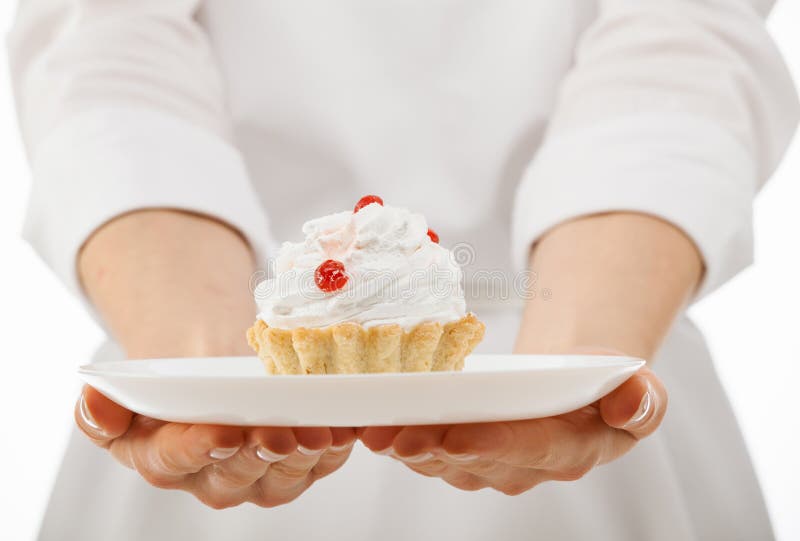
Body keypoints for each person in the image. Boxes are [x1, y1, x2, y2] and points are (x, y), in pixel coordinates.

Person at [9, 1, 798, 539]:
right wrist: (197, 369)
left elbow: (681, 35)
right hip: (200, 307)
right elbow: (102, 38)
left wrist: (578, 360)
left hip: (599, 306)